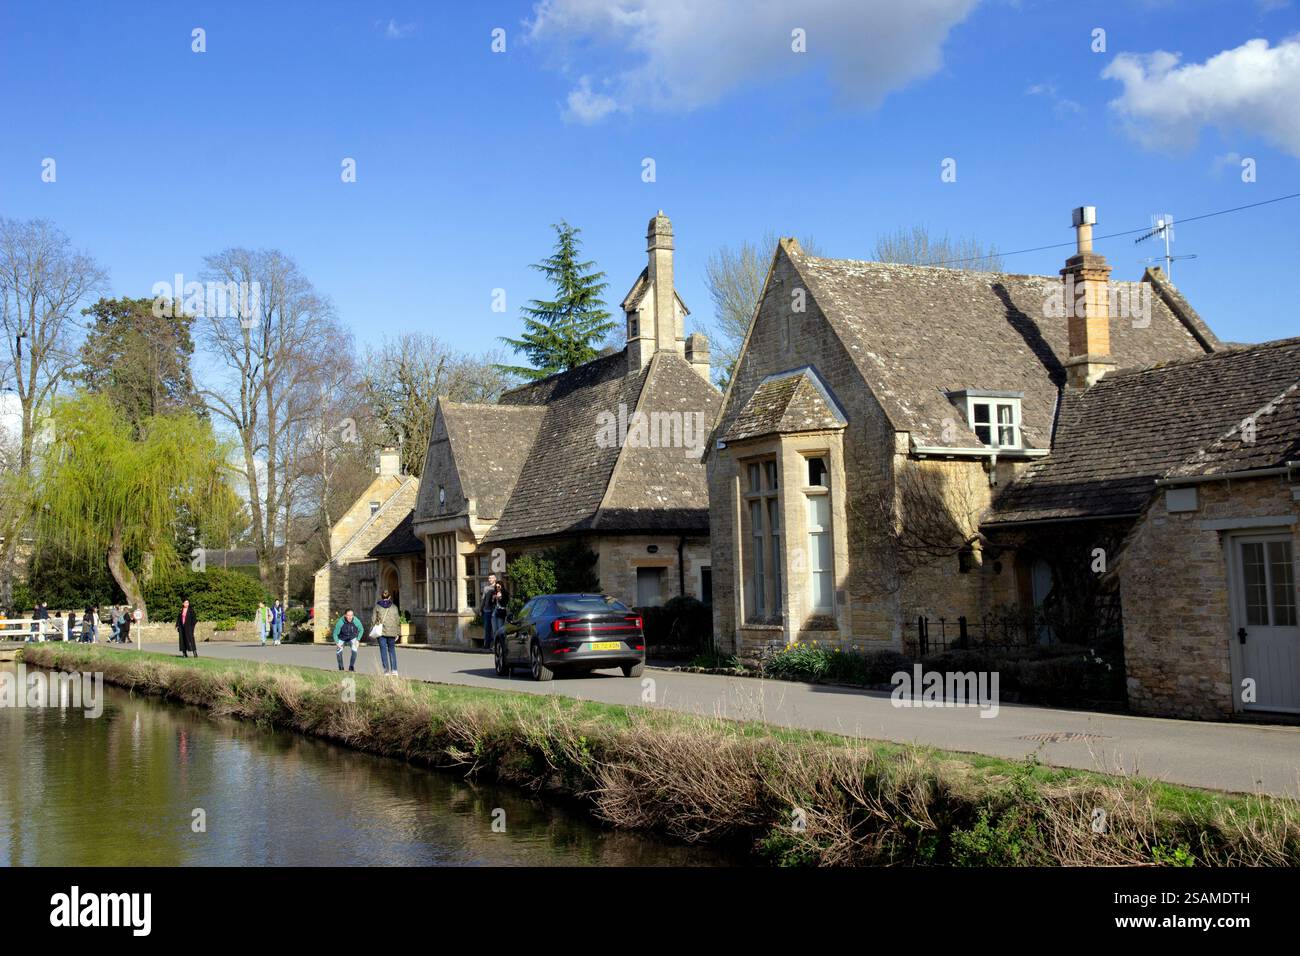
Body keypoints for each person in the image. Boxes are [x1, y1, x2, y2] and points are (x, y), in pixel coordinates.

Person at [371, 590, 400, 676]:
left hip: (381, 632)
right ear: (389, 597)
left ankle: (386, 671)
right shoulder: (394, 607)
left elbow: (373, 619)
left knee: (383, 651)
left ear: (381, 596)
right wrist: (397, 633)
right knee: (392, 650)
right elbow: (397, 620)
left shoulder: (377, 607)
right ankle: (394, 670)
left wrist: (373, 629)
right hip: (392, 632)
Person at [480, 573, 498, 650]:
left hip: (494, 610)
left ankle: (495, 645)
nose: (490, 579)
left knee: (495, 628)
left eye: (491, 578)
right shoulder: (486, 588)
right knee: (487, 628)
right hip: (487, 610)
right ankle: (486, 645)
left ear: (495, 578)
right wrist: (481, 609)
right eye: (489, 578)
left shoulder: (497, 587)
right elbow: (483, 600)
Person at [491, 582, 509, 651]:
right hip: (494, 612)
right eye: (496, 587)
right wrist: (493, 599)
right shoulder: (494, 593)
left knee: (500, 629)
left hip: (501, 612)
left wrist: (500, 598)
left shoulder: (505, 593)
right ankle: (495, 645)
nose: (497, 588)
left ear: (502, 586)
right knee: (495, 630)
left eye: (499, 587)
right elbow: (491, 603)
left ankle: (502, 645)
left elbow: (505, 603)